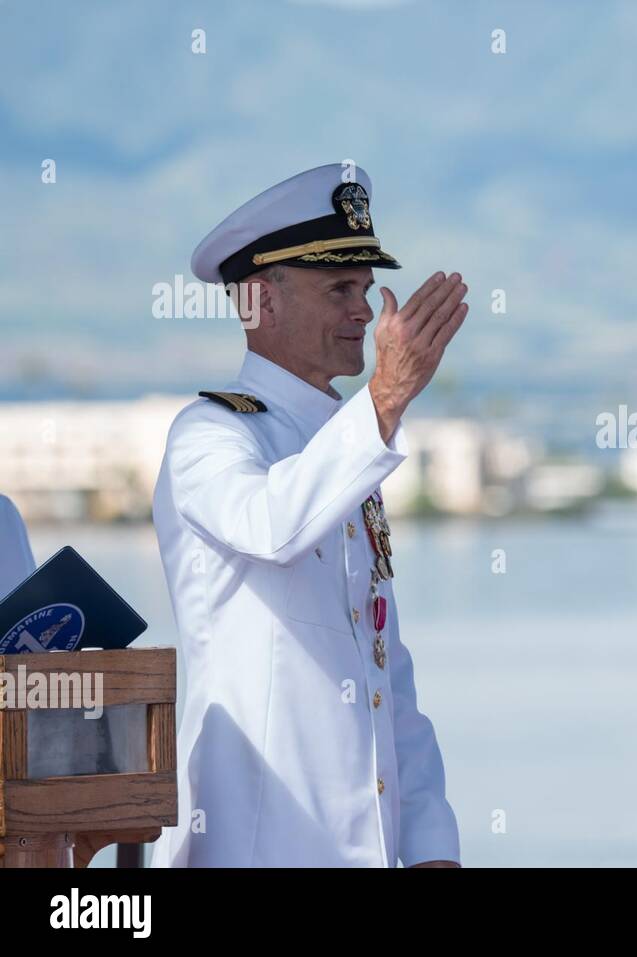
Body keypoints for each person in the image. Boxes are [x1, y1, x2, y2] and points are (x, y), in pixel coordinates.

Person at [150, 164, 467, 866]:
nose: (363, 310)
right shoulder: (209, 435)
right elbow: (272, 528)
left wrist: (431, 845)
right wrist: (382, 404)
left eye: (363, 288)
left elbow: (386, 675)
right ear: (260, 301)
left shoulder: (348, 451)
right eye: (338, 289)